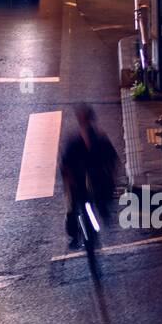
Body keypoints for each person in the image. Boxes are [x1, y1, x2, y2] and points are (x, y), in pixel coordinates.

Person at [60, 105, 119, 248]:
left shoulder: (95, 139)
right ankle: (76, 235)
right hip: (79, 181)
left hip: (93, 179)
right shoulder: (77, 141)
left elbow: (112, 160)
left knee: (79, 205)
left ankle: (78, 235)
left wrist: (110, 176)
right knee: (72, 208)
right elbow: (65, 165)